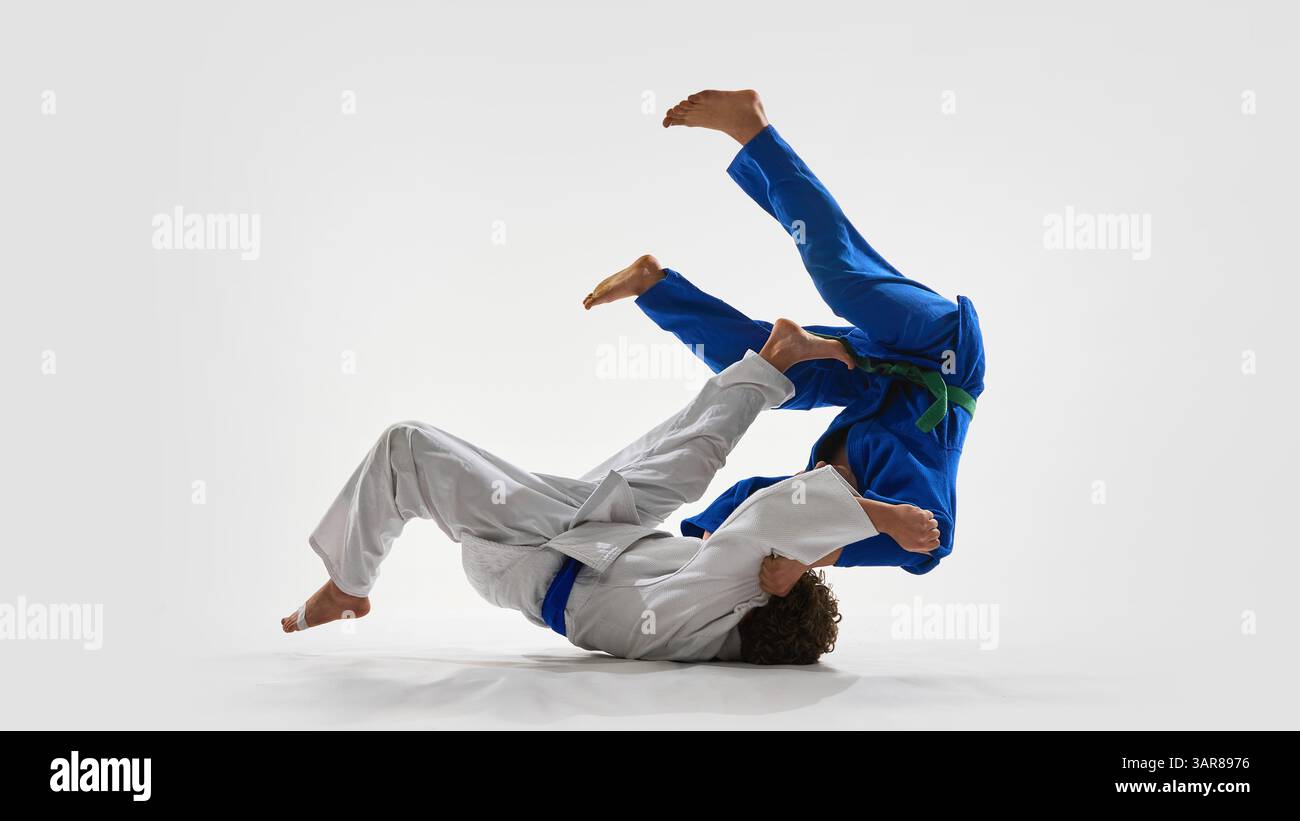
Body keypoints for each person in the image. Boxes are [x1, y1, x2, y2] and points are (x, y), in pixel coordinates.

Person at [281, 321, 940, 663]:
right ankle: (774, 359)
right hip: (591, 541)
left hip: (535, 555)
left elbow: (770, 514)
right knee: (684, 467)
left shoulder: (732, 595)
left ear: (771, 589)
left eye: (788, 574)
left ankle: (350, 584)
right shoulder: (718, 628)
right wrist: (806, 557)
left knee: (408, 447)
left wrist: (884, 519)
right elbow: (763, 526)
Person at [583, 89, 986, 596]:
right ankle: (753, 129)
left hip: (874, 379)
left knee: (764, 370)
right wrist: (808, 561)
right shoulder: (902, 515)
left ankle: (653, 284)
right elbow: (930, 542)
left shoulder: (805, 499)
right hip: (947, 358)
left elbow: (747, 498)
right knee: (843, 278)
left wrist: (701, 557)